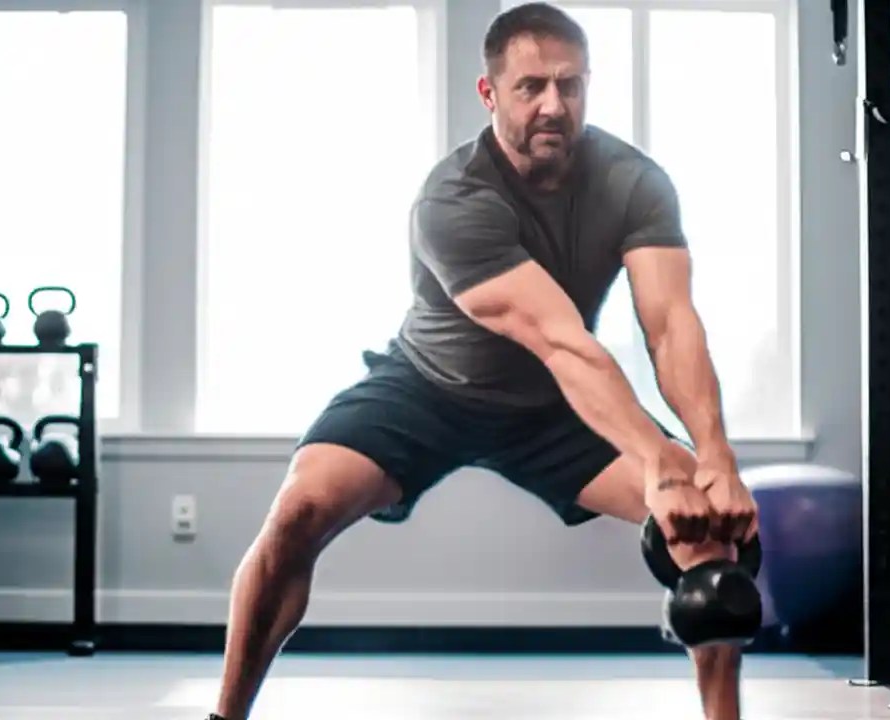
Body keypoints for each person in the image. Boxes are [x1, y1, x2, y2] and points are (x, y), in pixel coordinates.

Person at [208, 3, 759, 719]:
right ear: (489, 93)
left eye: (570, 85)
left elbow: (672, 325)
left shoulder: (634, 181)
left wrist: (713, 455)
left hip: (555, 408)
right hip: (429, 388)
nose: (553, 105)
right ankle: (226, 716)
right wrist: (658, 462)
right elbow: (558, 337)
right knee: (299, 509)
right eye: (531, 86)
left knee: (716, 527)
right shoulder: (453, 196)